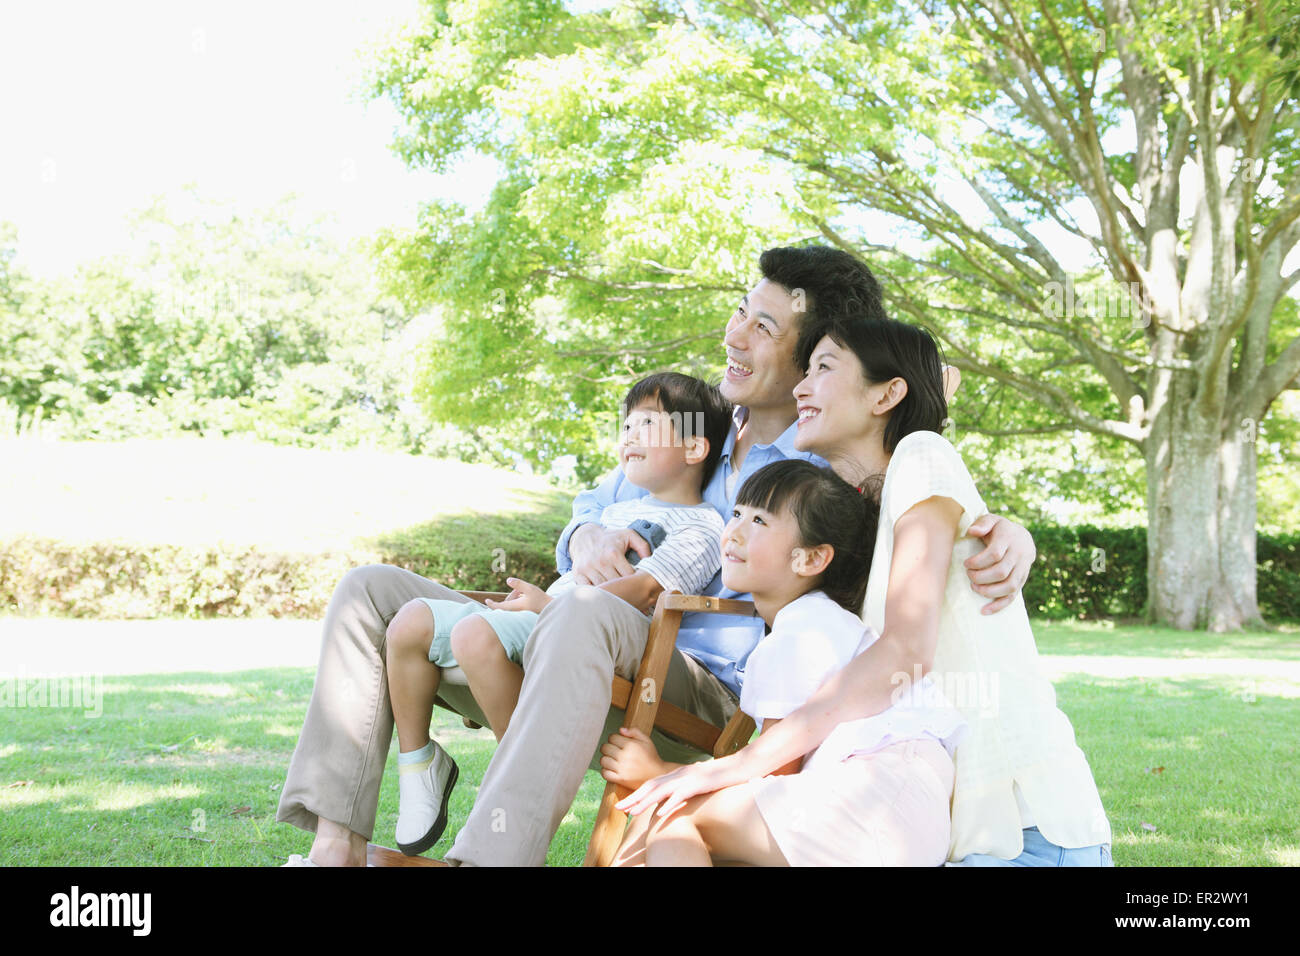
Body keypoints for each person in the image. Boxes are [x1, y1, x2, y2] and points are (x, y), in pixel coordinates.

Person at [275, 244, 1039, 867]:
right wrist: (588, 537)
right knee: (371, 590)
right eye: (742, 309)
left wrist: (1006, 530)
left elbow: (916, 474)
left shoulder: (821, 452)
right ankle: (336, 844)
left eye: (763, 328)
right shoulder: (698, 417)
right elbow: (594, 503)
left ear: (815, 360)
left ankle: (491, 861)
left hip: (705, 682)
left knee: (582, 608)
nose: (734, 335)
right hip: (579, 636)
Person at [617, 314, 1113, 867]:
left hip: (1028, 834)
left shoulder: (922, 455)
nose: (801, 385)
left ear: (888, 395)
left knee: (683, 821)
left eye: (823, 368)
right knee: (674, 833)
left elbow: (905, 650)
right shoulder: (863, 528)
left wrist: (733, 766)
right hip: (943, 838)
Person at [380, 372, 732, 855]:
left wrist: (547, 606)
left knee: (472, 638)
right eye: (626, 425)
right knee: (409, 621)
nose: (629, 435)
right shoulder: (607, 516)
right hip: (540, 616)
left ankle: (515, 789)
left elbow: (649, 591)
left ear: (695, 449)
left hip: (577, 630)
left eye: (647, 424)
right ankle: (420, 765)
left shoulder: (704, 524)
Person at [603, 459, 967, 865]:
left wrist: (657, 771)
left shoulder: (802, 629)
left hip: (870, 803)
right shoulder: (821, 624)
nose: (734, 532)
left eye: (759, 521)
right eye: (737, 513)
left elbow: (778, 772)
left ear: (810, 560)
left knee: (666, 810)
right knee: (671, 820)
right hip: (899, 818)